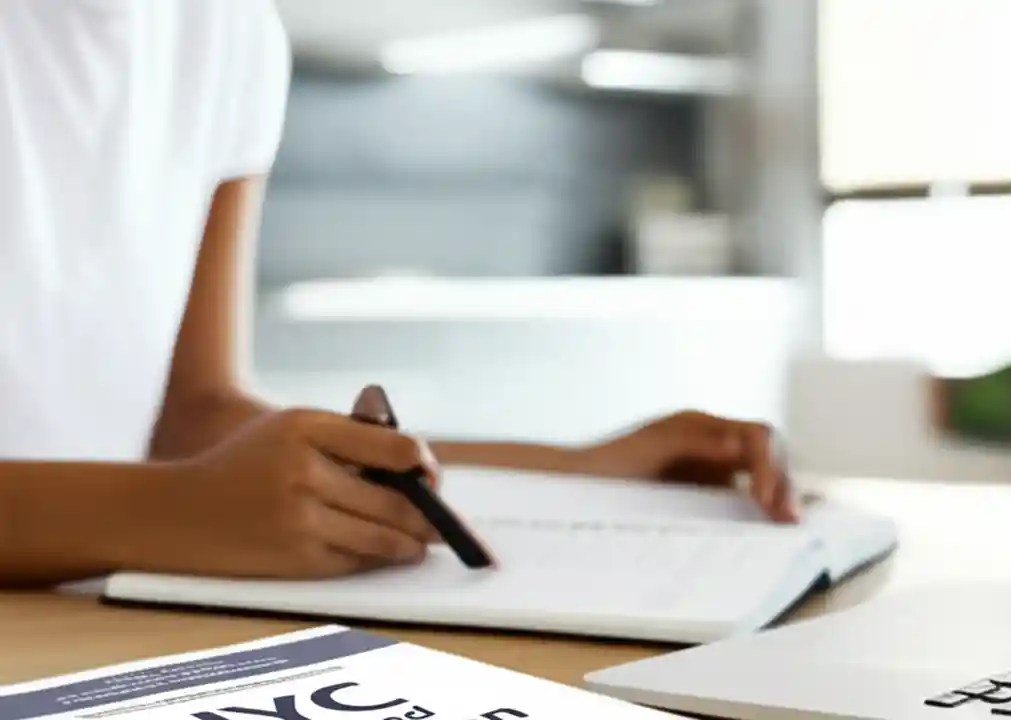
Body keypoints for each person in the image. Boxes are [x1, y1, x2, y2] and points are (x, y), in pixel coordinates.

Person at [0, 2, 795, 587]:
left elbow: (194, 413)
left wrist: (572, 471)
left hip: (72, 620)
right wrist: (171, 514)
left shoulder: (229, 31)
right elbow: (182, 479)